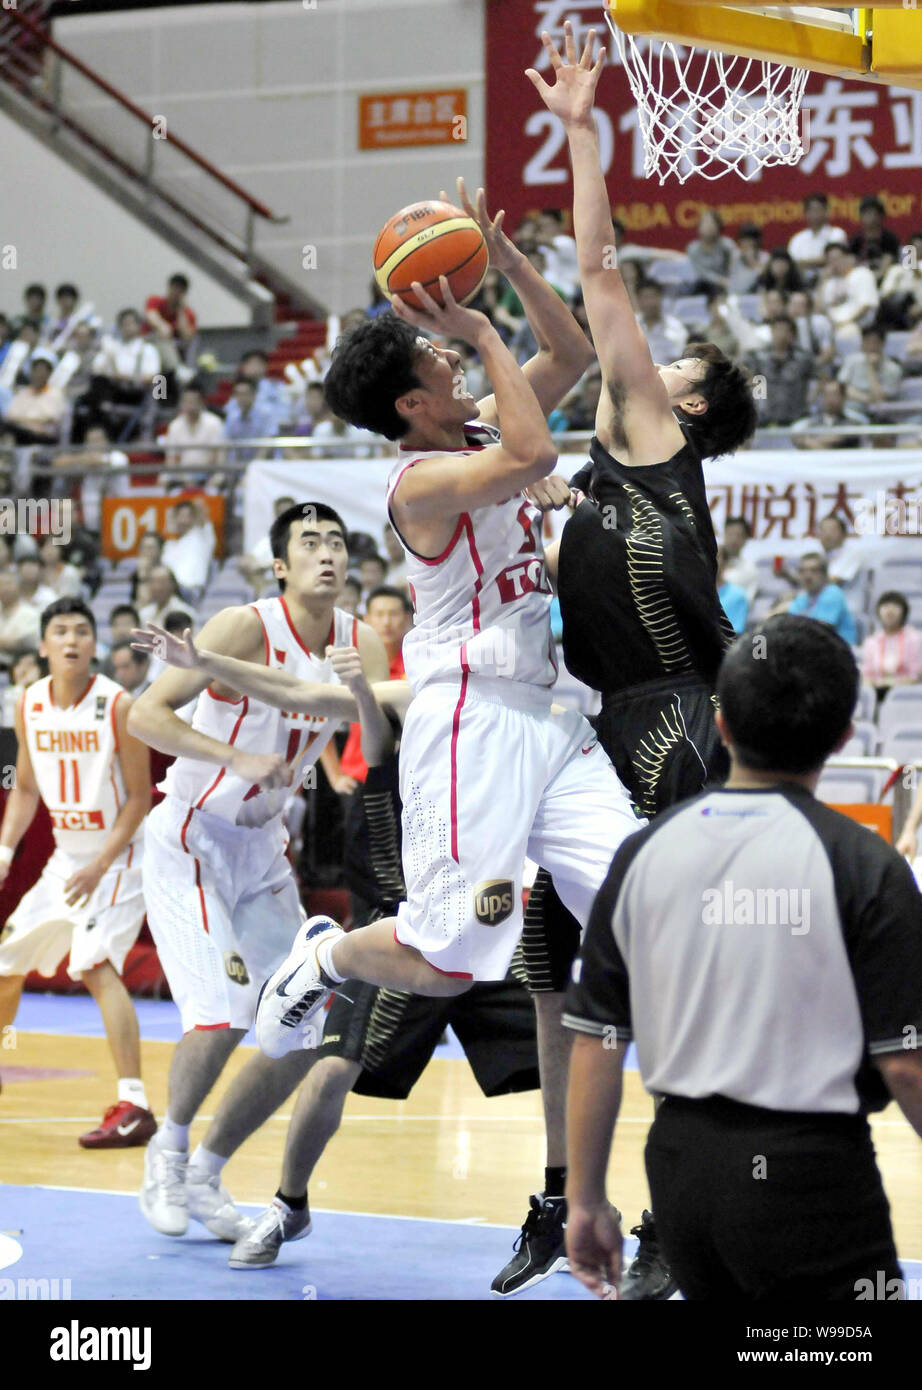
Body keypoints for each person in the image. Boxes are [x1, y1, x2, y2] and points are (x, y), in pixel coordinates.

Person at [194, 177, 643, 1301]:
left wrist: (499, 252)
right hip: (470, 722)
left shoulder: (477, 417)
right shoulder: (419, 482)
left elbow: (576, 354)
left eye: (447, 345)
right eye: (431, 354)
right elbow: (538, 456)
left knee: (648, 904)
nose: (444, 353)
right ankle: (330, 955)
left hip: (552, 715)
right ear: (408, 405)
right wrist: (481, 325)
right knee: (449, 957)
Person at [514, 22, 758, 1300]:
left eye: (678, 363)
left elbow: (600, 274)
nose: (648, 360)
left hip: (669, 723)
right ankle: (564, 1200)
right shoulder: (614, 459)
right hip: (590, 723)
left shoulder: (657, 438)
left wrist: (579, 128)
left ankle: (678, 1218)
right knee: (559, 982)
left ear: (695, 405)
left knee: (647, 982)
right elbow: (581, 312)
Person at [563, 614, 922, 1301]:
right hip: (809, 1175)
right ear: (844, 736)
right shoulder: (866, 866)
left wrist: (584, 1200)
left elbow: (596, 1041)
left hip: (679, 1172)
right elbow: (905, 1065)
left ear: (721, 726)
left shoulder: (642, 854)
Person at [126, 502, 391, 1242]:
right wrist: (233, 757)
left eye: (337, 541)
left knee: (302, 1031)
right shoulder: (243, 627)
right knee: (222, 1014)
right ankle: (167, 1151)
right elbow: (145, 717)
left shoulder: (358, 640)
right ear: (280, 565)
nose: (327, 553)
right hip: (191, 835)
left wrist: (364, 691)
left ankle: (208, 1171)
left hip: (261, 850)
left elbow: (375, 742)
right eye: (309, 542)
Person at [0, 598, 154, 1148]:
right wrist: (5, 851)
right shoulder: (29, 702)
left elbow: (140, 798)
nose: (71, 639)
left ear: (94, 645)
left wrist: (99, 864)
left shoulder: (118, 704)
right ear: (42, 646)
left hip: (119, 854)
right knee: (6, 964)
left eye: (82, 631)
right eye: (60, 631)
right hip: (66, 857)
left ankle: (135, 1103)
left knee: (93, 966)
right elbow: (23, 788)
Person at [744, 314, 814, 426]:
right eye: (777, 330)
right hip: (768, 417)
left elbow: (818, 380)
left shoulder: (804, 359)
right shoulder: (760, 358)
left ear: (792, 334)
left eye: (785, 330)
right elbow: (755, 384)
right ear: (771, 332)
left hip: (797, 417)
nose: (780, 334)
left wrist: (810, 400)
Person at [778, 552, 857, 644]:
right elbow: (789, 626)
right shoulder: (802, 597)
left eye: (813, 570)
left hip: (839, 651)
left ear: (824, 575)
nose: (807, 576)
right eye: (802, 571)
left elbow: (819, 630)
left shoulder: (833, 593)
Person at [861, 591, 922, 701]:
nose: (890, 611)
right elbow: (866, 675)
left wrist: (891, 684)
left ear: (904, 612)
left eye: (895, 607)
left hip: (906, 695)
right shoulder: (871, 642)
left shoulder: (915, 639)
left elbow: (916, 675)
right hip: (876, 694)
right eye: (885, 606)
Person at [160, 498, 215, 604]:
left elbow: (201, 509)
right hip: (169, 592)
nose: (183, 521)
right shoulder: (168, 546)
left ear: (194, 518)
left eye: (187, 516)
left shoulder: (201, 537)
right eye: (179, 516)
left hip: (191, 591)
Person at [791, 378, 869, 450]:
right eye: (826, 395)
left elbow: (837, 438)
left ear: (843, 397)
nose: (830, 399)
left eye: (834, 394)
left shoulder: (853, 423)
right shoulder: (812, 423)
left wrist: (809, 442)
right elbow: (798, 440)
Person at [788, 192, 847, 280]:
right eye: (811, 210)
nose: (815, 214)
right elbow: (791, 264)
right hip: (803, 282)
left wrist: (803, 263)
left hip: (831, 279)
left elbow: (833, 260)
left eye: (818, 209)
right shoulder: (797, 239)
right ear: (805, 213)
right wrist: (818, 261)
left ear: (826, 211)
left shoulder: (836, 233)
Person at [0, 571, 40, 671]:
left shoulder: (30, 613)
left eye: (8, 583)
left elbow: (17, 643)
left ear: (18, 586)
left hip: (18, 669)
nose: (4, 588)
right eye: (1, 584)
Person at [721, 515, 758, 602]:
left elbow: (748, 601)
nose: (734, 539)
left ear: (746, 539)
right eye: (730, 534)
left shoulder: (750, 569)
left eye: (739, 535)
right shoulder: (710, 563)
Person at [716, 545, 748, 635]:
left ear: (725, 563)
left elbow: (735, 632)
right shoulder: (694, 593)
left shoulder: (738, 595)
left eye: (716, 556)